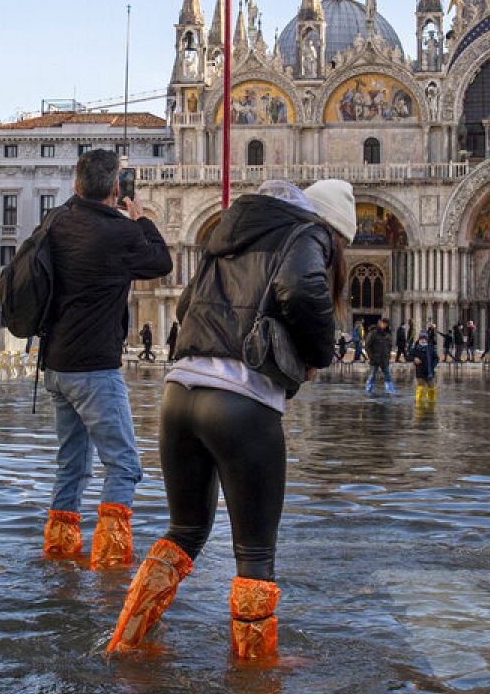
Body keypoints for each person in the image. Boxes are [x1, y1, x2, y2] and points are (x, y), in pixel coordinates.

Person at [107, 179, 351, 661]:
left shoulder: (228, 234)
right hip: (240, 402)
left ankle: (127, 640)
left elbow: (182, 306)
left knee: (185, 531)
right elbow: (301, 288)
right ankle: (255, 667)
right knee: (255, 554)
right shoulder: (311, 232)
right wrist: (319, 352)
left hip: (179, 394)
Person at [40, 149, 173, 569]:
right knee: (125, 466)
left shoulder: (55, 222)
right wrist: (140, 219)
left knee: (72, 466)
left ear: (76, 186)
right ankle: (112, 564)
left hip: (56, 366)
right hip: (95, 368)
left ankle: (60, 554)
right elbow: (161, 261)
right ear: (116, 189)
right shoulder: (119, 232)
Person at [408, 330, 439, 412]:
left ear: (427, 339)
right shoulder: (415, 348)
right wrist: (414, 359)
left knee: (432, 387)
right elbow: (408, 356)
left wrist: (432, 366)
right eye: (421, 338)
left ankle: (431, 403)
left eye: (424, 338)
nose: (423, 340)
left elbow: (436, 358)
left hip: (429, 372)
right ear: (419, 339)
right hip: (420, 371)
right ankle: (419, 404)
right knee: (420, 387)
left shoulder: (430, 347)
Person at [364, 318, 395, 395]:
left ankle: (390, 390)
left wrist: (388, 356)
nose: (384, 325)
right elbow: (367, 346)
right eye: (383, 323)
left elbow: (389, 346)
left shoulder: (388, 334)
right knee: (372, 375)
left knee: (388, 375)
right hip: (375, 359)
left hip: (384, 359)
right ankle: (368, 390)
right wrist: (371, 357)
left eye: (386, 324)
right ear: (380, 323)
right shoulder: (373, 333)